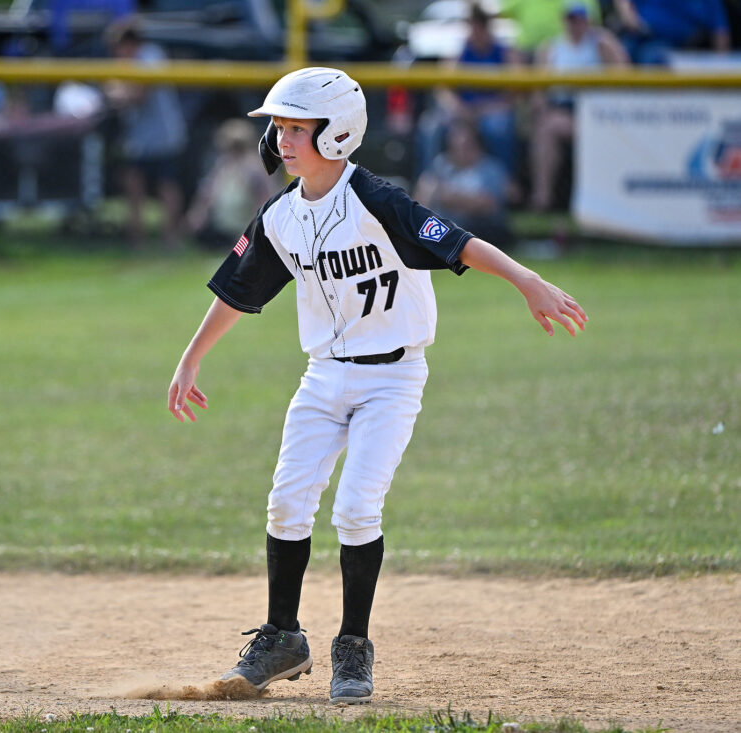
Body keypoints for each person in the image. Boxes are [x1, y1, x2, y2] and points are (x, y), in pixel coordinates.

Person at [166, 67, 587, 704]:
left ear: (337, 135)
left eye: (297, 128)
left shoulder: (377, 201)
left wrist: (529, 281)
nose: (282, 139)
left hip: (392, 377)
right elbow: (237, 290)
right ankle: (283, 637)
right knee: (286, 501)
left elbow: (459, 243)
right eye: (278, 127)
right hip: (323, 376)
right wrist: (191, 357)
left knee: (357, 509)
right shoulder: (281, 216)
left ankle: (353, 645)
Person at [529, 1, 628, 211]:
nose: (576, 24)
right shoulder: (552, 48)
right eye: (571, 19)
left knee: (554, 127)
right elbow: (538, 90)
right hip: (564, 109)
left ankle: (601, 204)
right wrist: (543, 109)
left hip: (598, 112)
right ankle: (542, 198)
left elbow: (625, 74)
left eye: (580, 18)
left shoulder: (601, 43)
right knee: (546, 129)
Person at [103, 15, 188, 250]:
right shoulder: (131, 61)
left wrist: (114, 94)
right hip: (140, 138)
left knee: (166, 186)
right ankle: (137, 240)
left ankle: (171, 239)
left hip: (162, 136)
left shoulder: (150, 56)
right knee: (133, 183)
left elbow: (138, 94)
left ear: (128, 43)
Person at [414, 3, 522, 178]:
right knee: (431, 128)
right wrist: (460, 108)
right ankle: (429, 184)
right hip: (464, 110)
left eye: (481, 24)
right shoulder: (459, 52)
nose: (477, 30)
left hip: (493, 110)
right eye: (473, 24)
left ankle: (506, 185)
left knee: (498, 129)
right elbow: (443, 90)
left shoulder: (503, 52)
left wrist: (489, 107)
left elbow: (515, 90)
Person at [414, 118, 516, 248]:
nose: (459, 152)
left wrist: (450, 198)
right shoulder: (441, 165)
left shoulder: (491, 169)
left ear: (476, 145)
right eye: (455, 147)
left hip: (480, 229)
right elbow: (423, 201)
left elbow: (489, 205)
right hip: (446, 229)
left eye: (465, 147)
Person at [185, 118, 279, 251]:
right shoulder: (222, 166)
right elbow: (206, 194)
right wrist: (197, 215)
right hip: (221, 226)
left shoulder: (256, 169)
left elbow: (264, 200)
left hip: (246, 226)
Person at [612, 0, 732, 64]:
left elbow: (720, 31)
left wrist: (721, 64)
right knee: (618, 52)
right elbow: (627, 7)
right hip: (639, 35)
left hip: (675, 44)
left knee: (650, 57)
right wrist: (629, 16)